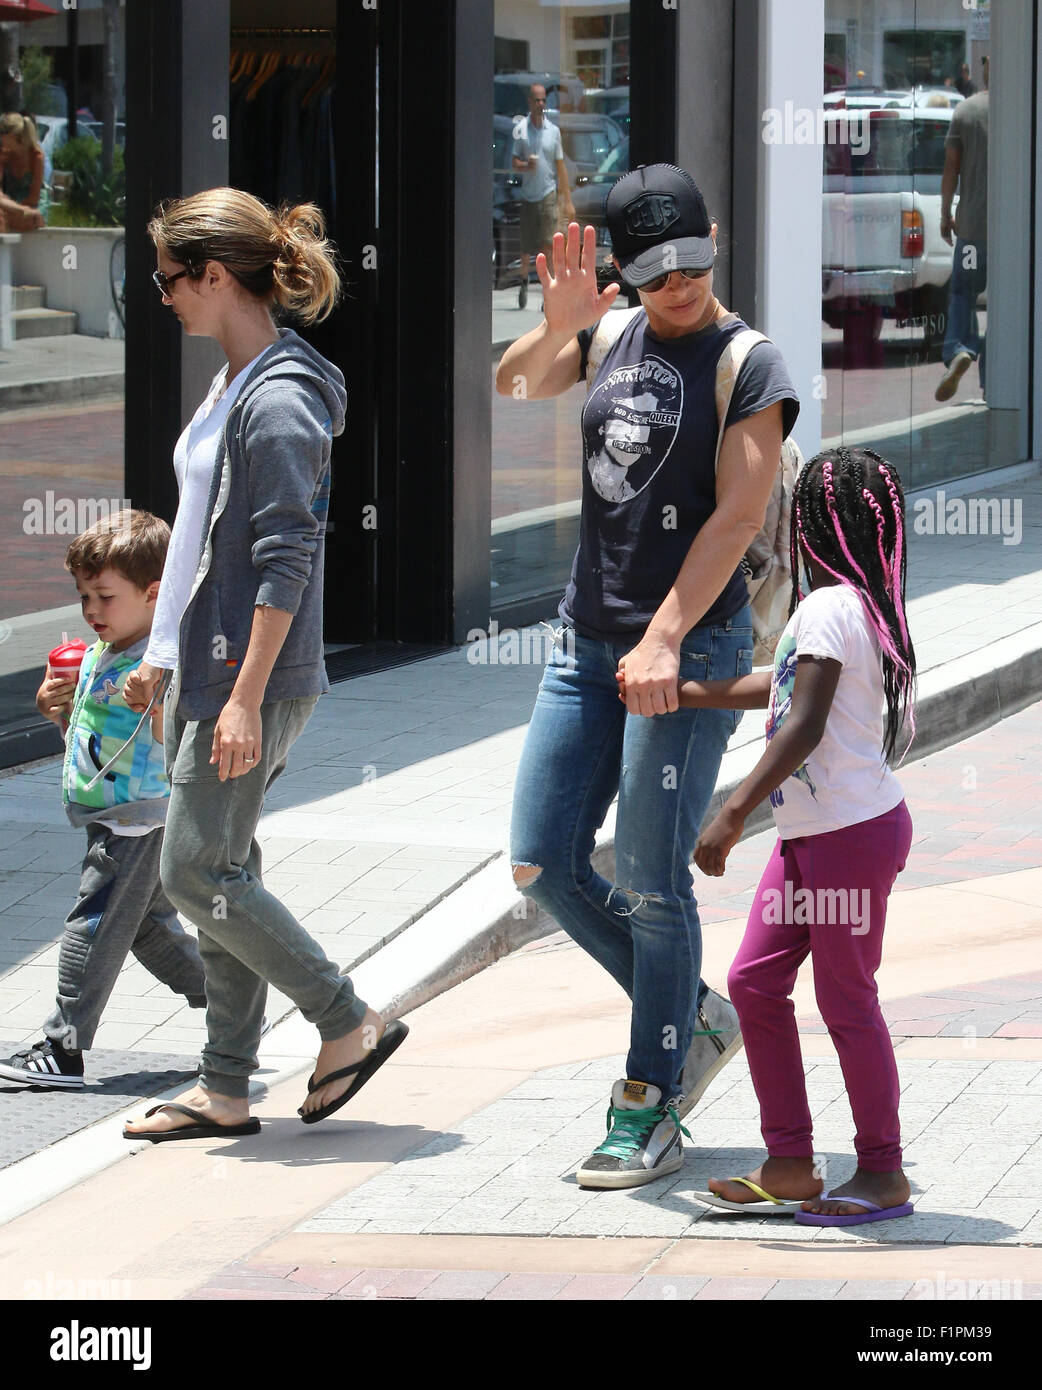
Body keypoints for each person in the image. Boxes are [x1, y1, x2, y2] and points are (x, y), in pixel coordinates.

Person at [500, 163, 799, 1189]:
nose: (677, 283)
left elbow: (738, 515)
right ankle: (693, 1018)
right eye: (653, 268)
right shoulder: (614, 334)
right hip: (584, 644)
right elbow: (517, 383)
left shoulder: (748, 362)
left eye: (692, 260)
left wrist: (666, 637)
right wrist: (557, 324)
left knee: (649, 883)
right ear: (622, 271)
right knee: (540, 860)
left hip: (690, 648)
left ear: (715, 240)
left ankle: (649, 1098)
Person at [120, 188, 406, 1142]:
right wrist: (161, 654)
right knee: (226, 869)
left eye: (169, 279)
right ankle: (226, 1088)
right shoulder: (236, 380)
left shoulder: (277, 397)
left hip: (252, 678)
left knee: (193, 873)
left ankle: (344, 1019)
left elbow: (288, 555)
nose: (160, 296)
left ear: (214, 276)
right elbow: (205, 538)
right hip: (208, 668)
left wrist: (242, 697)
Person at [671, 446, 916, 1226]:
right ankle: (789, 1164)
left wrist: (734, 809)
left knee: (846, 1001)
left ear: (808, 523)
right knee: (754, 982)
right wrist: (683, 693)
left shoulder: (828, 608)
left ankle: (882, 1172)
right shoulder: (856, 606)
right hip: (823, 836)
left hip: (846, 837)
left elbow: (803, 723)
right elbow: (779, 689)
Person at [0, 511, 208, 1090]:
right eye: (83, 595)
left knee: (91, 923)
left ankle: (64, 1045)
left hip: (134, 823)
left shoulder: (159, 664)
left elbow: (174, 744)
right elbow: (91, 742)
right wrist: (56, 709)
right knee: (148, 929)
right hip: (113, 814)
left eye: (105, 597)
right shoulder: (99, 652)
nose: (92, 610)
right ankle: (231, 1002)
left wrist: (158, 699)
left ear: (153, 596)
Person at [936, 64, 988, 402]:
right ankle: (995, 380)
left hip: (971, 229)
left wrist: (945, 213)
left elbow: (951, 167)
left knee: (962, 294)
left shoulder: (966, 111)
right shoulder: (1023, 109)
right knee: (1006, 307)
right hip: (1013, 232)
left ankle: (960, 348)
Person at [511, 83, 575, 309]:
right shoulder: (522, 129)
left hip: (548, 192)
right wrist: (524, 165)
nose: (540, 104)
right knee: (527, 246)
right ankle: (524, 282)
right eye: (537, 100)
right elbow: (514, 162)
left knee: (548, 244)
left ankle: (547, 291)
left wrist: (567, 199)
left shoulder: (553, 131)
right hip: (529, 195)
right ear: (530, 102)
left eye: (543, 101)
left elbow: (560, 166)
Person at [0, 112, 48, 231]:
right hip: (10, 203)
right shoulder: (4, 155)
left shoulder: (36, 156)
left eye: (1, 133)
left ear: (11, 135)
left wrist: (20, 210)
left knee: (30, 219)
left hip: (32, 204)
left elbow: (34, 197)